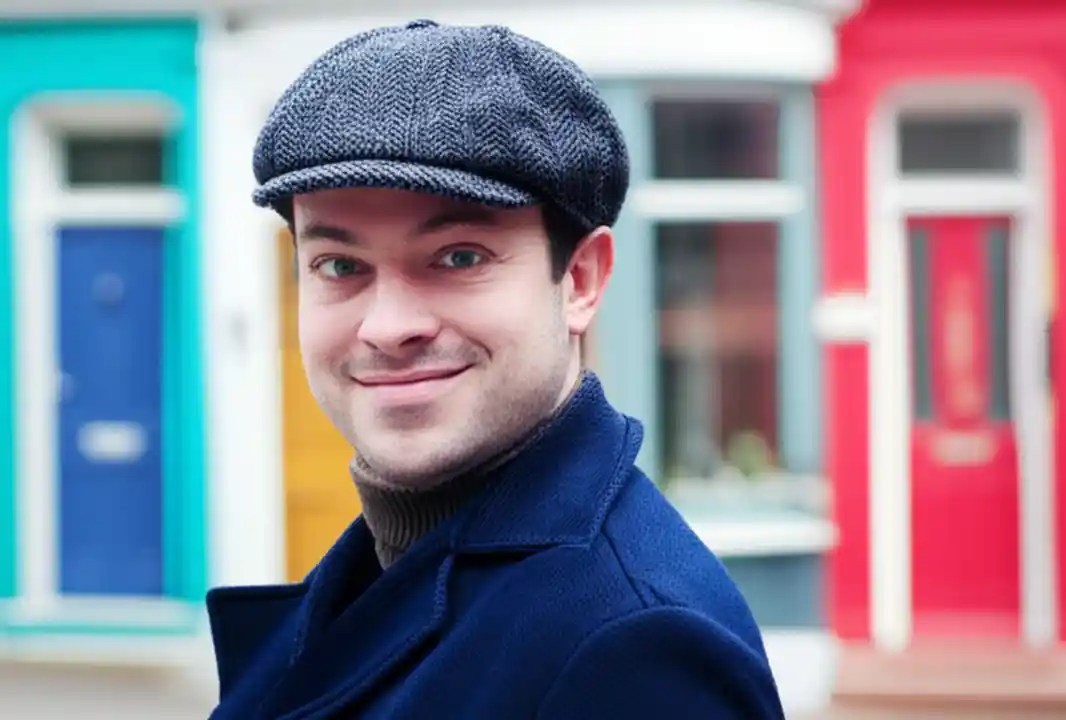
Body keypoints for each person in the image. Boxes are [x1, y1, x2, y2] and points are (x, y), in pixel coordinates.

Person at [205, 18, 786, 720]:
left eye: (458, 257)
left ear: (579, 280)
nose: (387, 327)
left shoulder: (632, 649)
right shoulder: (396, 563)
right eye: (340, 266)